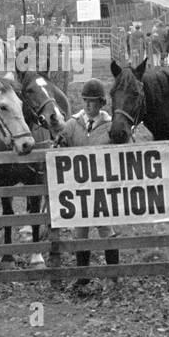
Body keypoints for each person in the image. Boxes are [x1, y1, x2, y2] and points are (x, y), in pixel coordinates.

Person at [58, 78, 119, 285]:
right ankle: (82, 277)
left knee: (106, 230)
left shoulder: (110, 127)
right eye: (85, 100)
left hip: (103, 189)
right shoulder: (73, 125)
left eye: (92, 101)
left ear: (101, 103)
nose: (88, 105)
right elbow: (59, 146)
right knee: (80, 232)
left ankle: (113, 276)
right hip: (80, 189)